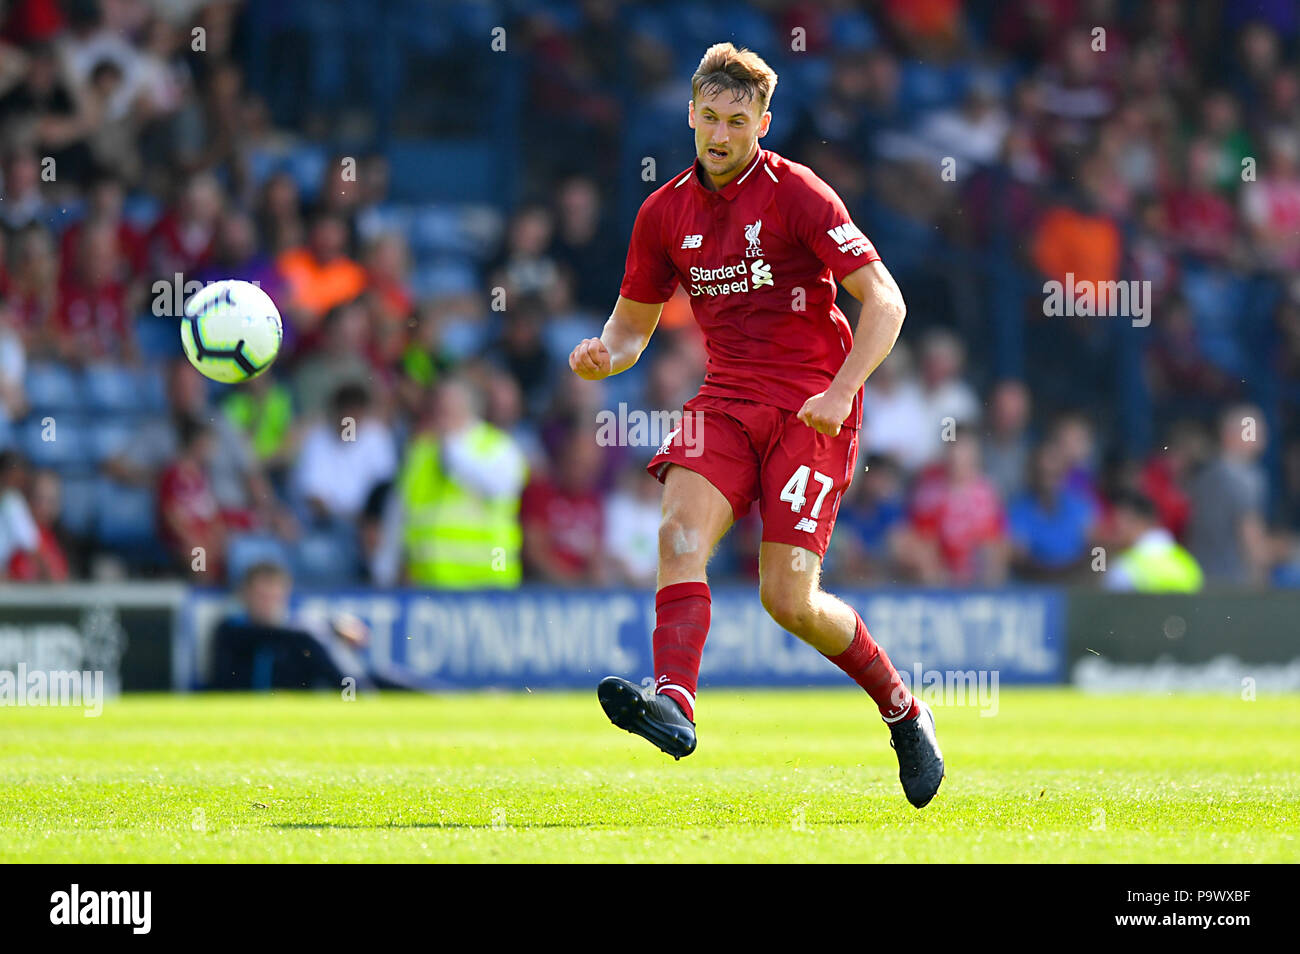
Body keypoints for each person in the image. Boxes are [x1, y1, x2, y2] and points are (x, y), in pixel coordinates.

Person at [567, 43, 943, 808]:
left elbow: (887, 301)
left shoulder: (799, 193)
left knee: (789, 600)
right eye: (708, 117)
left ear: (762, 125)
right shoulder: (663, 211)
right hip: (728, 400)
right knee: (676, 535)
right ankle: (675, 701)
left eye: (737, 121)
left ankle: (904, 711)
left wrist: (841, 391)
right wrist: (607, 357)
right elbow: (632, 330)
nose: (719, 134)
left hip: (811, 405)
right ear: (691, 116)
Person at [1103, 489, 1203, 593]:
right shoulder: (1187, 563)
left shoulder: (1124, 568)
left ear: (1136, 522)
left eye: (1117, 526)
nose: (1112, 532)